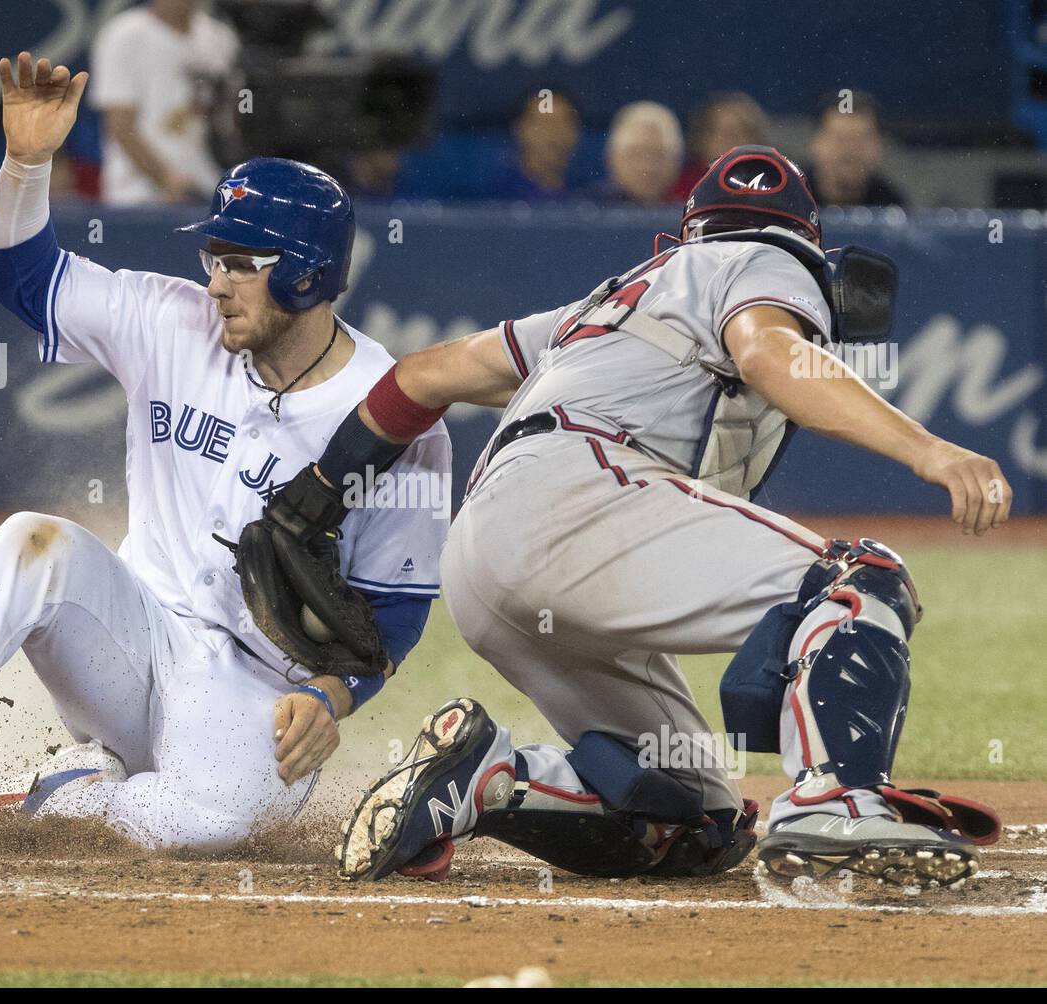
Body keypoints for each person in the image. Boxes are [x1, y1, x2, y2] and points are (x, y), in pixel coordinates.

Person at [272, 145, 1004, 887]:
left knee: (693, 819)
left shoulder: (604, 304)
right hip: (582, 499)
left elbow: (422, 376)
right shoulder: (767, 260)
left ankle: (489, 777)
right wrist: (931, 452)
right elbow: (769, 354)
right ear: (805, 238)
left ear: (690, 229)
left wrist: (322, 490)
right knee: (859, 579)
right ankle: (836, 800)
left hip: (487, 561)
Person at [0, 52, 450, 852]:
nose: (215, 283)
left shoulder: (391, 422)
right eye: (215, 258)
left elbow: (397, 609)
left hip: (257, 695)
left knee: (197, 827)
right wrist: (27, 165)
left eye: (242, 264)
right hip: (135, 637)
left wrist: (334, 696)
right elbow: (23, 275)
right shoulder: (168, 320)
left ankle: (76, 795)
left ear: (309, 277)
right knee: (32, 542)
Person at [91, 0, 239, 205]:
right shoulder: (124, 34)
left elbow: (229, 120)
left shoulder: (221, 38)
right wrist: (165, 179)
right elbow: (120, 126)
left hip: (210, 190)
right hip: (138, 196)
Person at [806, 92, 907, 208]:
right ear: (817, 143)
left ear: (878, 146)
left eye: (860, 140)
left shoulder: (892, 207)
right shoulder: (791, 197)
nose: (850, 150)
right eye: (841, 139)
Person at [482, 89, 582, 201]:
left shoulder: (584, 193)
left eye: (567, 122)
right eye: (547, 122)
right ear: (519, 129)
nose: (557, 132)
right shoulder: (499, 198)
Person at [669, 92, 770, 201]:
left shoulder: (771, 186)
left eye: (738, 134)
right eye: (722, 134)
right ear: (703, 139)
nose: (729, 143)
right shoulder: (676, 187)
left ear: (756, 142)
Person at [588, 100, 684, 206]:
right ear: (612, 158)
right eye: (636, 155)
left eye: (659, 156)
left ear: (677, 161)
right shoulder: (581, 212)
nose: (647, 168)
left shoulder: (690, 216)